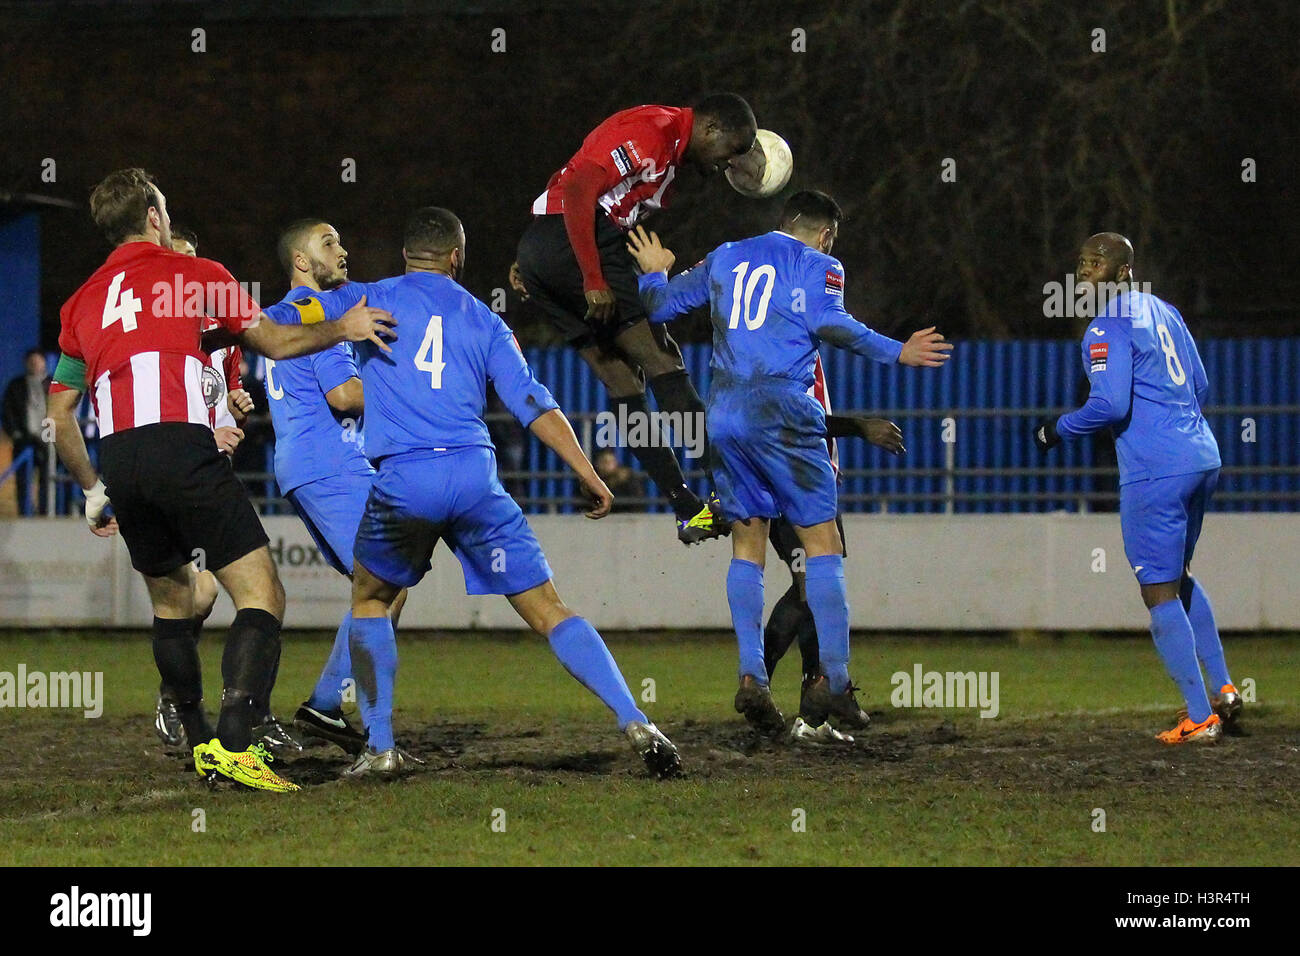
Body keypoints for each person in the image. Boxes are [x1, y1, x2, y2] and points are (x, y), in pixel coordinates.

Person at [296, 206, 681, 778]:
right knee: (550, 609)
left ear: (406, 255)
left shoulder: (369, 298)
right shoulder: (486, 320)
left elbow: (291, 314)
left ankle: (379, 747)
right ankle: (635, 719)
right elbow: (535, 405)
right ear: (457, 257)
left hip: (406, 482)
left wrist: (294, 310)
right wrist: (589, 473)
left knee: (371, 600)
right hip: (475, 479)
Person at [49, 167, 395, 792]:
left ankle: (199, 732)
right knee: (262, 594)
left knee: (172, 605)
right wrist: (342, 327)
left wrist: (93, 487)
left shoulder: (82, 301)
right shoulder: (196, 274)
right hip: (183, 445)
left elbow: (59, 415)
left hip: (121, 459)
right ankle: (236, 745)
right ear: (155, 218)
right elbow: (274, 340)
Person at [627, 190, 952, 736]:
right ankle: (837, 682)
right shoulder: (819, 264)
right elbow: (834, 324)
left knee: (748, 544)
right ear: (825, 235)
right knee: (824, 547)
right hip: (782, 406)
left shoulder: (728, 253)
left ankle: (752, 675)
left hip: (725, 409)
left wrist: (654, 274)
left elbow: (657, 308)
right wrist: (899, 351)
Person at [512, 93, 760, 544]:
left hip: (550, 247)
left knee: (623, 383)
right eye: (731, 151)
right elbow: (580, 185)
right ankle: (733, 486)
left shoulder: (667, 149)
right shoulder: (654, 132)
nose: (728, 164)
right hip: (579, 247)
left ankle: (688, 508)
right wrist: (590, 276)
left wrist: (533, 257)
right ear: (710, 130)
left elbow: (568, 176)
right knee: (662, 360)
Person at [1034, 232, 1239, 744]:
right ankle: (1226, 691)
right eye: (1083, 261)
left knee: (1157, 587)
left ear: (1123, 269)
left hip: (1156, 468)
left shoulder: (1104, 327)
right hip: (1201, 455)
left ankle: (1198, 717)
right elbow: (1201, 385)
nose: (1087, 270)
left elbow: (1109, 407)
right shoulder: (1164, 310)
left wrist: (1056, 429)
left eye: (1097, 262)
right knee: (1180, 576)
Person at [260, 217, 406, 755]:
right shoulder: (322, 313)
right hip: (331, 461)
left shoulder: (282, 316)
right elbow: (345, 395)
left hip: (306, 463)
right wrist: (411, 394)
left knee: (383, 582)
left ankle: (330, 704)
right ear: (302, 260)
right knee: (385, 579)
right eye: (328, 243)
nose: (342, 250)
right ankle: (344, 714)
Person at [762, 353, 906, 744]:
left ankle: (811, 710)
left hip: (812, 482)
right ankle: (765, 685)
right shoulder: (782, 346)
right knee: (810, 586)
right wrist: (860, 427)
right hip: (792, 481)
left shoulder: (799, 343)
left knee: (814, 591)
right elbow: (794, 419)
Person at [2, 349, 51, 514]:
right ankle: (24, 512)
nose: (35, 365)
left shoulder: (54, 384)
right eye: (32, 362)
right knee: (23, 479)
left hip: (49, 442)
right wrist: (15, 433)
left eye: (38, 361)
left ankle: (47, 511)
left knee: (48, 479)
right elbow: (7, 412)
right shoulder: (16, 386)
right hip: (25, 441)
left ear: (45, 363)